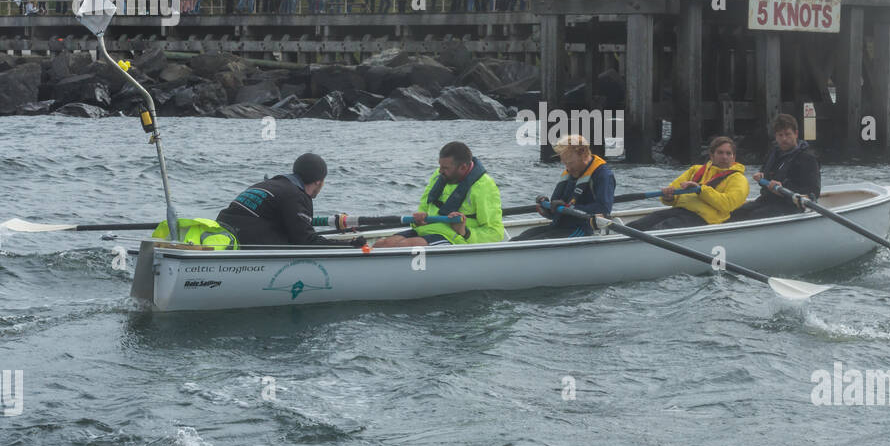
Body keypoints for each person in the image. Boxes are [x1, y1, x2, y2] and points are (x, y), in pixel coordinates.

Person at [374, 141, 504, 248]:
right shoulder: (439, 174)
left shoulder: (485, 187)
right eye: (440, 166)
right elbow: (425, 206)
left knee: (405, 246)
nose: (440, 171)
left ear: (463, 168)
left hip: (454, 237)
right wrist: (419, 220)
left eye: (446, 168)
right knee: (382, 244)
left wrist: (465, 232)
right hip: (427, 230)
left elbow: (495, 233)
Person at [216, 154, 363, 247]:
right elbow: (305, 241)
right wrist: (348, 244)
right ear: (319, 182)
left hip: (218, 232)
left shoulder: (267, 184)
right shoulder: (294, 195)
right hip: (242, 244)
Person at [628, 136, 749, 231]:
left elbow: (728, 205)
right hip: (681, 211)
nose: (724, 157)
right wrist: (669, 197)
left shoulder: (738, 179)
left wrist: (701, 190)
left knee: (660, 229)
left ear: (734, 158)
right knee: (637, 225)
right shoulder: (695, 170)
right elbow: (674, 190)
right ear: (712, 155)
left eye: (728, 154)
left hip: (707, 218)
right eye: (720, 152)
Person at [514, 134, 615, 240]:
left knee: (533, 242)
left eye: (570, 163)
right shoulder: (570, 172)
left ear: (583, 154)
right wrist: (546, 208)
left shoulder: (603, 175)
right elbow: (557, 206)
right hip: (560, 226)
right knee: (517, 239)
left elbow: (603, 209)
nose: (568, 168)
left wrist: (568, 207)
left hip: (584, 229)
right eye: (565, 163)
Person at [730, 115, 820, 221]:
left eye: (787, 134)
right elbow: (766, 176)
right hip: (767, 200)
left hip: (790, 206)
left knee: (755, 216)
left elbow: (814, 192)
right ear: (776, 136)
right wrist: (761, 176)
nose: (784, 139)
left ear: (796, 134)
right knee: (735, 213)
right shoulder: (773, 153)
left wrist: (783, 188)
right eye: (780, 135)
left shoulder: (807, 158)